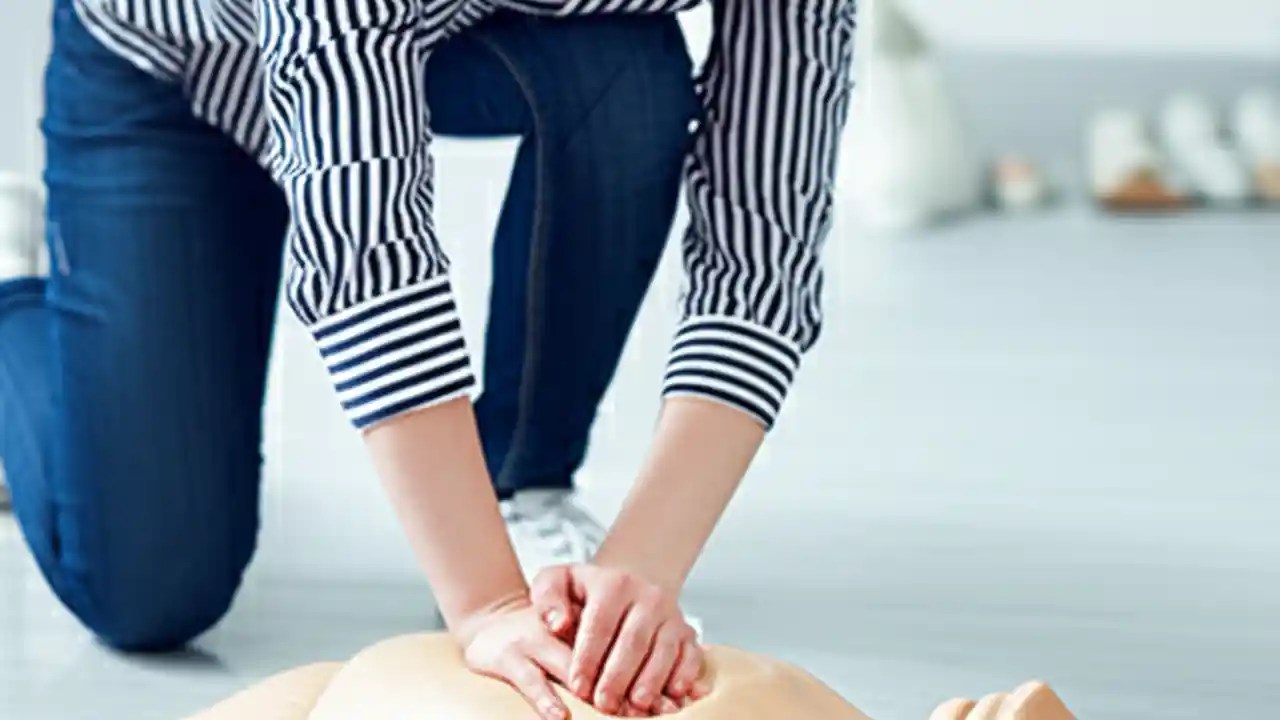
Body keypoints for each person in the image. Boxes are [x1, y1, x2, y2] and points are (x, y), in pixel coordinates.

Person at [0, 0, 856, 717]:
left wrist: (638, 571)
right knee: (146, 593)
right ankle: (22, 301)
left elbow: (765, 239)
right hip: (175, 67)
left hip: (456, 39)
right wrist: (486, 606)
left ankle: (525, 478)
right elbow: (366, 247)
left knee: (630, 80)